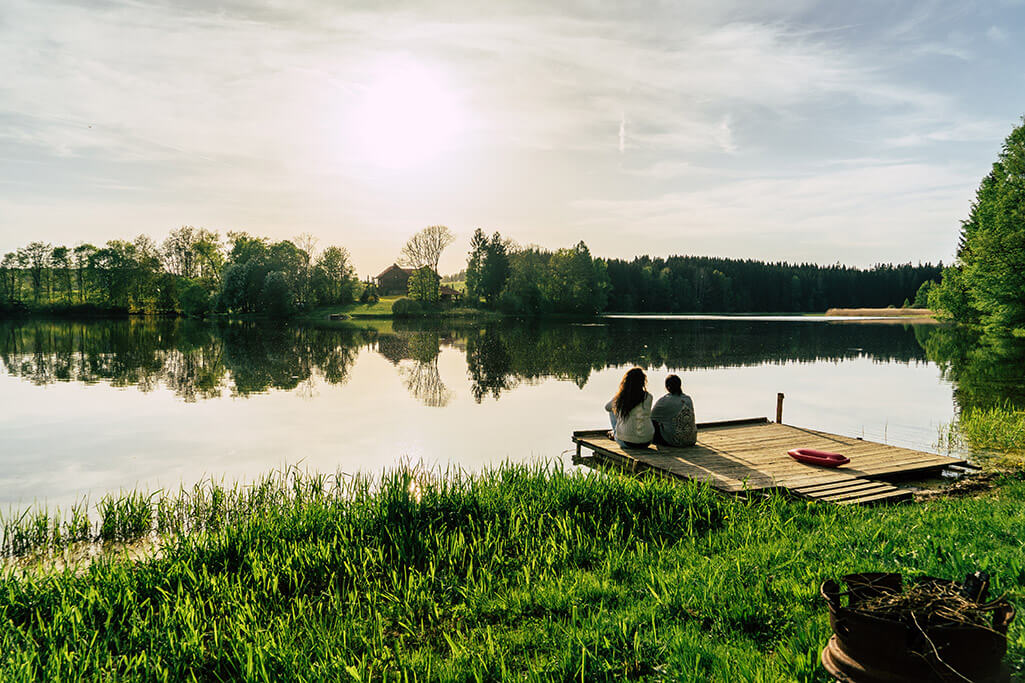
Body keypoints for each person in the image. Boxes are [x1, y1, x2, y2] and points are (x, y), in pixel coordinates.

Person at [604, 367, 654, 448]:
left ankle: (615, 432)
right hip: (647, 441)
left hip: (626, 442)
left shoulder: (621, 397)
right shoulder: (649, 397)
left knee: (612, 410)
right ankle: (617, 432)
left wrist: (618, 396)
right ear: (643, 381)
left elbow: (607, 407)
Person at [651, 374, 697, 447]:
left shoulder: (664, 401)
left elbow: (651, 417)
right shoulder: (688, 399)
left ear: (667, 387)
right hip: (691, 439)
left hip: (674, 441)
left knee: (652, 422)